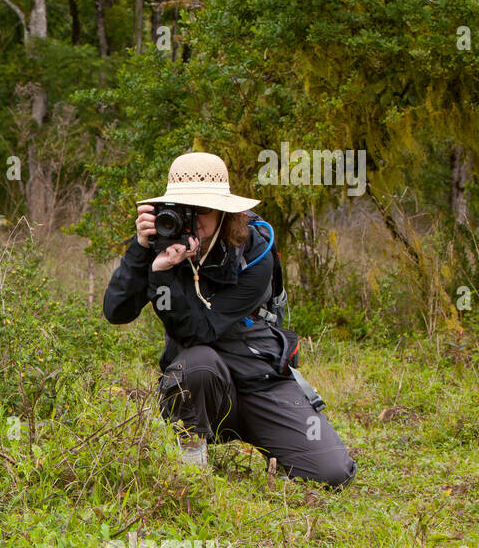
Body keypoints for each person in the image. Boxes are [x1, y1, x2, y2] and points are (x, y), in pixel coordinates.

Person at [102, 152, 355, 488]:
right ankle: (191, 470)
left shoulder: (254, 252)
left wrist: (165, 278)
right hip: (203, 385)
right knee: (197, 365)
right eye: (182, 209)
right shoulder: (161, 243)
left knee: (333, 473)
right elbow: (116, 311)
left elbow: (201, 329)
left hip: (260, 381)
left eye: (202, 209)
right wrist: (141, 251)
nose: (192, 220)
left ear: (224, 209)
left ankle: (277, 441)